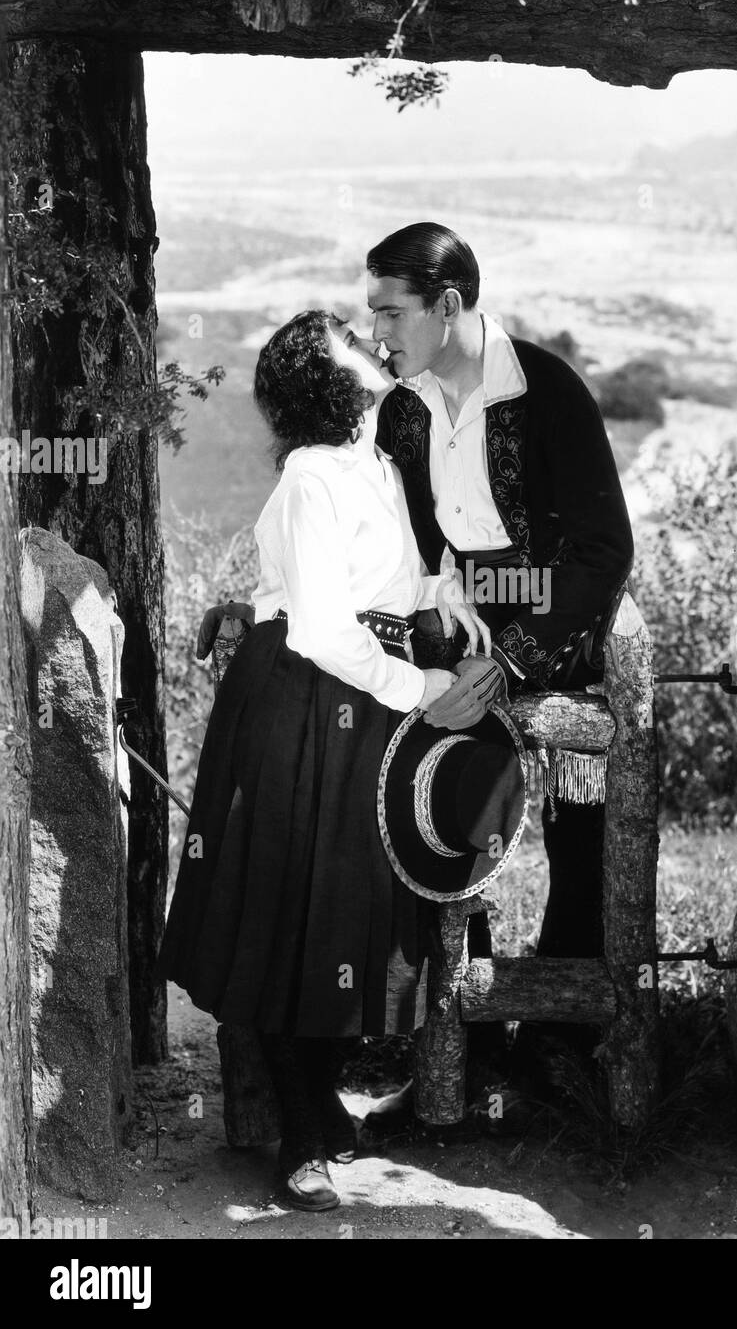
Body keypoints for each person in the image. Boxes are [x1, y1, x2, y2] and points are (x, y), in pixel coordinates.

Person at [156, 309, 490, 1211]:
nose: (372, 341)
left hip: (359, 703)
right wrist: (419, 691)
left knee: (353, 914)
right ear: (324, 376)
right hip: (302, 705)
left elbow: (387, 585)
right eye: (349, 337)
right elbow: (317, 626)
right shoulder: (310, 477)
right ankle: (302, 1134)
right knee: (289, 913)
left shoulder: (377, 463)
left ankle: (320, 1112)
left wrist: (444, 594)